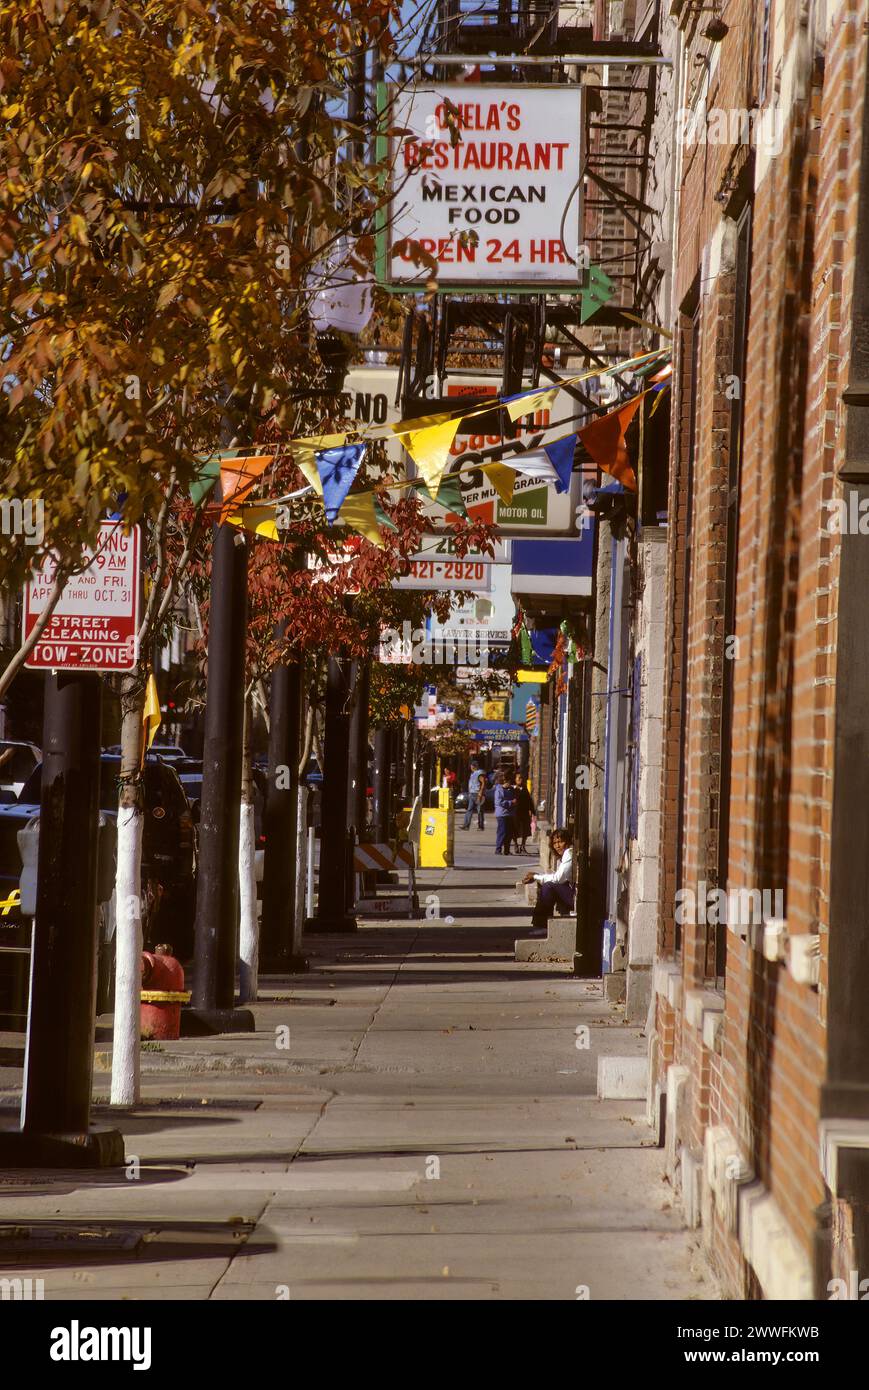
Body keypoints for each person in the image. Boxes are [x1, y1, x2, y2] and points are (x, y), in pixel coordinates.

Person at [522, 827, 575, 932]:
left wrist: (536, 877)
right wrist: (538, 877)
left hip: (575, 896)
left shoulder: (569, 853)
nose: (557, 846)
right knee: (546, 885)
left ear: (568, 841)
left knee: (548, 886)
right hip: (571, 891)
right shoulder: (565, 855)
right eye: (555, 843)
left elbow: (558, 879)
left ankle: (542, 925)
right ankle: (542, 924)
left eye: (561, 842)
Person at [510, 772, 535, 854]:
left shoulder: (524, 788)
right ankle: (516, 845)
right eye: (518, 778)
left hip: (524, 812)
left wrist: (531, 810)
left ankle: (523, 846)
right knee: (515, 829)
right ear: (515, 780)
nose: (520, 779)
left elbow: (529, 800)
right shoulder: (512, 789)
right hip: (515, 812)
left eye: (521, 778)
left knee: (525, 829)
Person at [493, 770, 515, 855]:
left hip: (510, 813)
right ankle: (498, 849)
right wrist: (511, 802)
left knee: (509, 832)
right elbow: (499, 802)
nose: (509, 783)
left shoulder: (511, 789)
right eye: (508, 782)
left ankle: (507, 850)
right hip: (502, 814)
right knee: (502, 831)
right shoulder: (499, 790)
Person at [463, 760, 486, 830]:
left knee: (480, 811)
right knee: (469, 810)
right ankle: (466, 825)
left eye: (471, 766)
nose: (470, 767)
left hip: (477, 794)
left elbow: (483, 783)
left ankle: (480, 826)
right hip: (472, 794)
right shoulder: (473, 774)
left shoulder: (479, 773)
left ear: (473, 766)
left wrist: (480, 793)